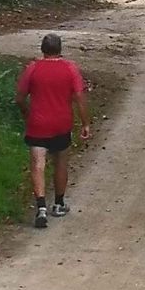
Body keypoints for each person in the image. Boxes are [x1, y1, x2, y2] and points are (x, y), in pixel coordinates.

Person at [16, 33, 90, 229]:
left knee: (37, 164)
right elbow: (79, 97)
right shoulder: (69, 68)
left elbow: (20, 98)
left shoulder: (32, 69)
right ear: (60, 49)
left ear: (42, 49)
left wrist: (27, 114)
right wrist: (85, 123)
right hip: (61, 124)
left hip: (38, 124)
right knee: (61, 163)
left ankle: (41, 207)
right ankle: (58, 203)